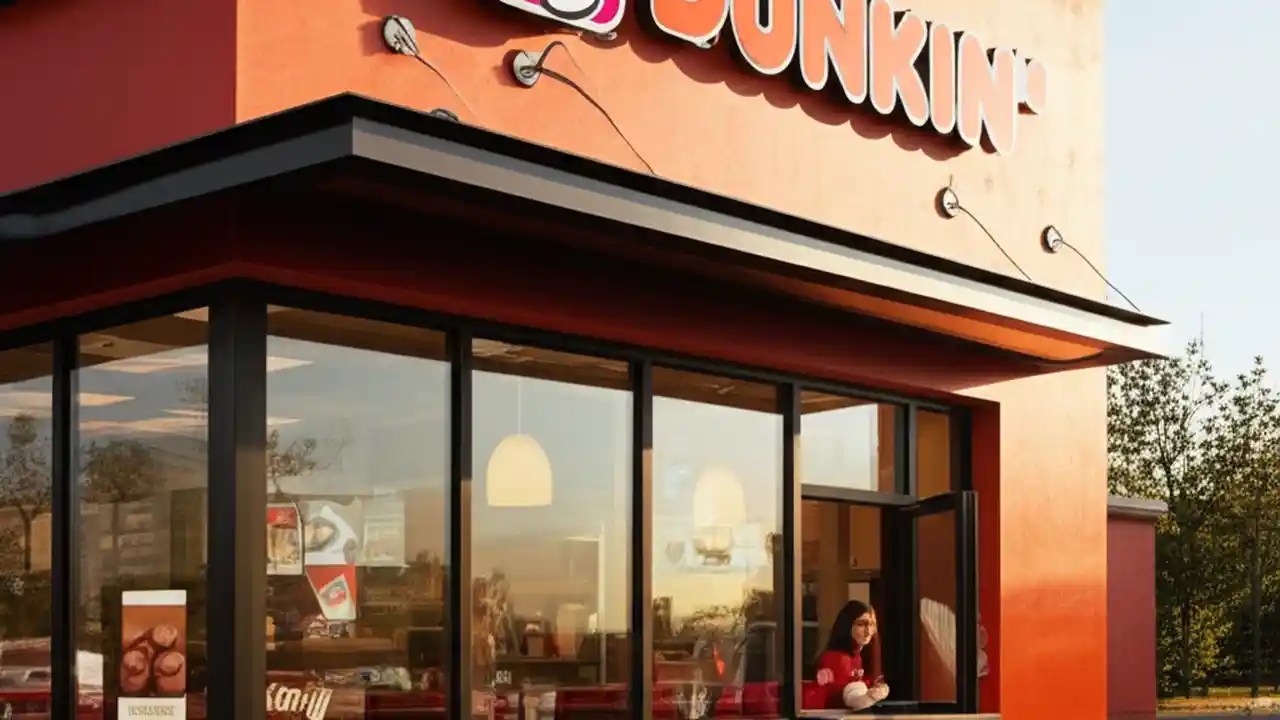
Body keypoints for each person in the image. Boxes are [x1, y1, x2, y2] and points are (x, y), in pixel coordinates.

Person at [808, 600, 890, 711]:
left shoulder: (865, 657)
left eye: (872, 625)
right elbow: (849, 697)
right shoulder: (835, 658)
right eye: (861, 624)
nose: (868, 631)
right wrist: (869, 697)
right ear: (847, 626)